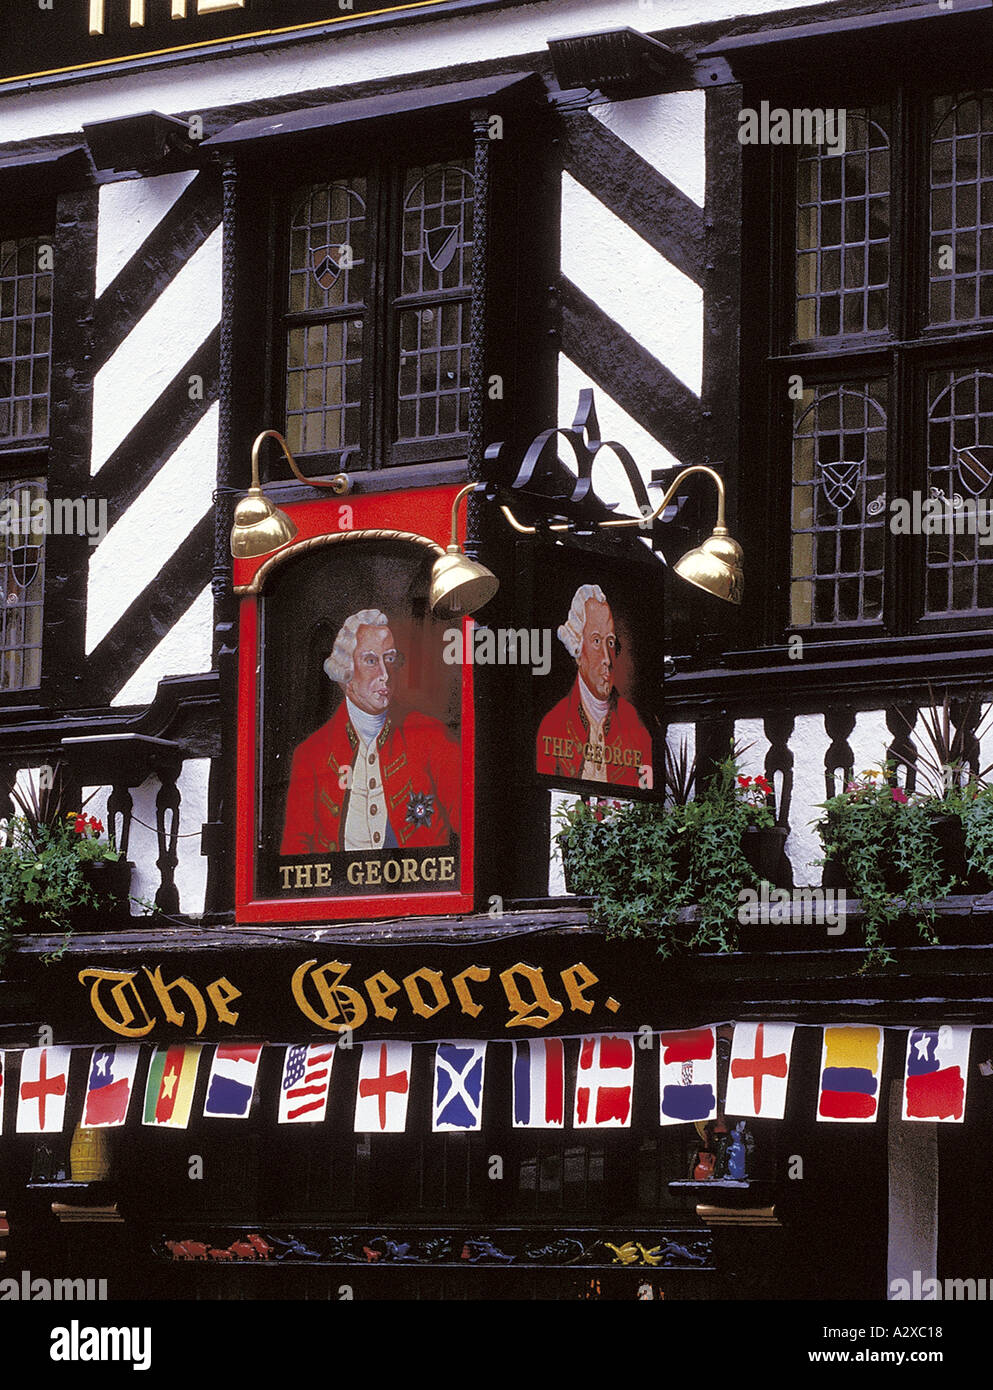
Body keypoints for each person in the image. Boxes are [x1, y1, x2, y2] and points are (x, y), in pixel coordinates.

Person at [280, 609, 460, 855]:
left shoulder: (432, 738)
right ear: (345, 670)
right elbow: (296, 854)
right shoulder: (310, 755)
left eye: (390, 659)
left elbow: (471, 828)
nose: (385, 675)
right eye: (371, 661)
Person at [536, 584, 652, 787]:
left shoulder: (636, 727)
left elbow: (645, 790)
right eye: (596, 641)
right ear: (578, 650)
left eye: (610, 642)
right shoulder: (553, 725)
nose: (607, 658)